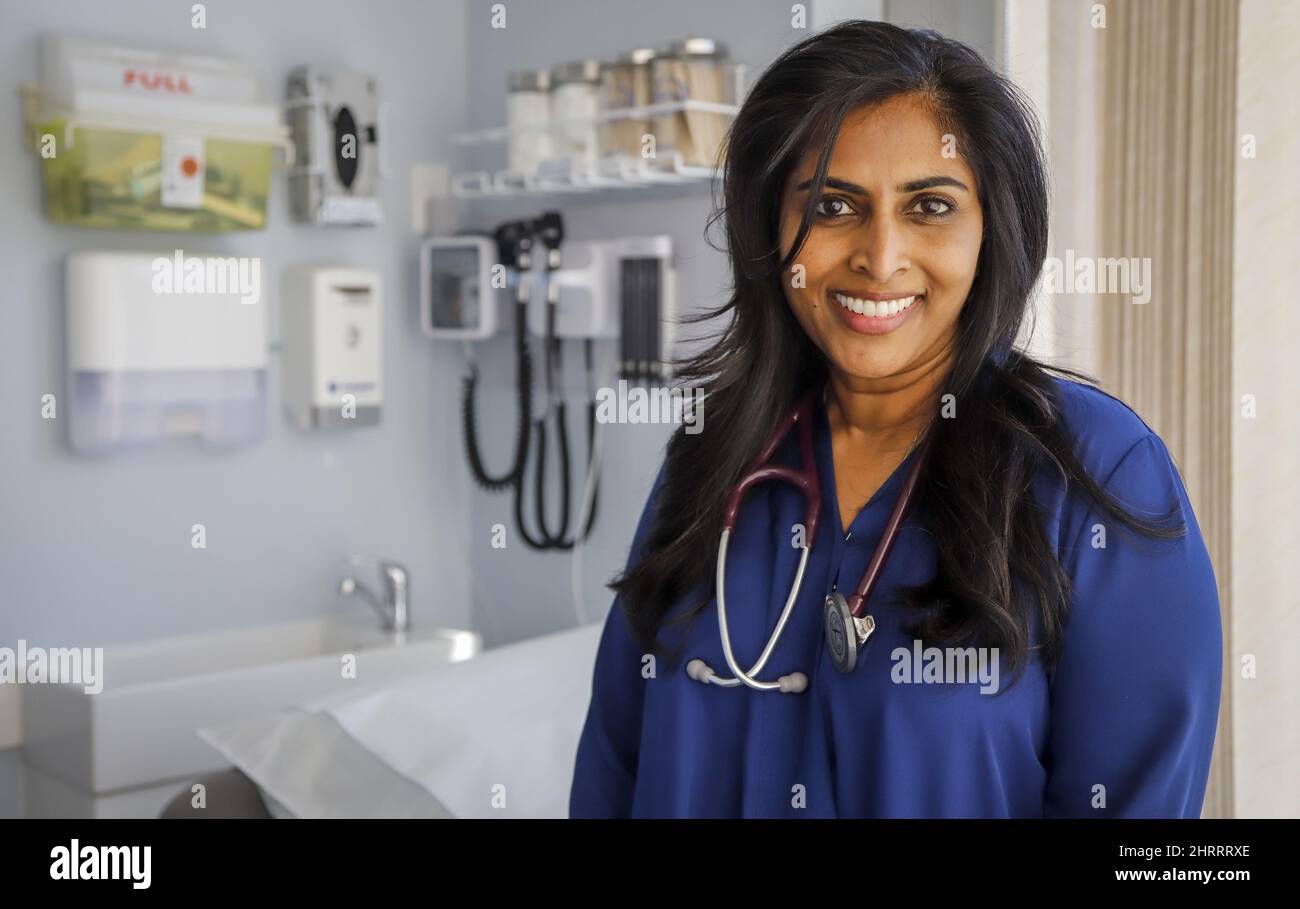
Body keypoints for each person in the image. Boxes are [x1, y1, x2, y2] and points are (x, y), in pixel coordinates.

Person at [569, 20, 1222, 818]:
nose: (880, 258)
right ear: (771, 228)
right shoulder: (715, 457)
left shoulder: (1095, 473)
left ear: (993, 231)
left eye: (930, 206)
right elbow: (612, 764)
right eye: (834, 205)